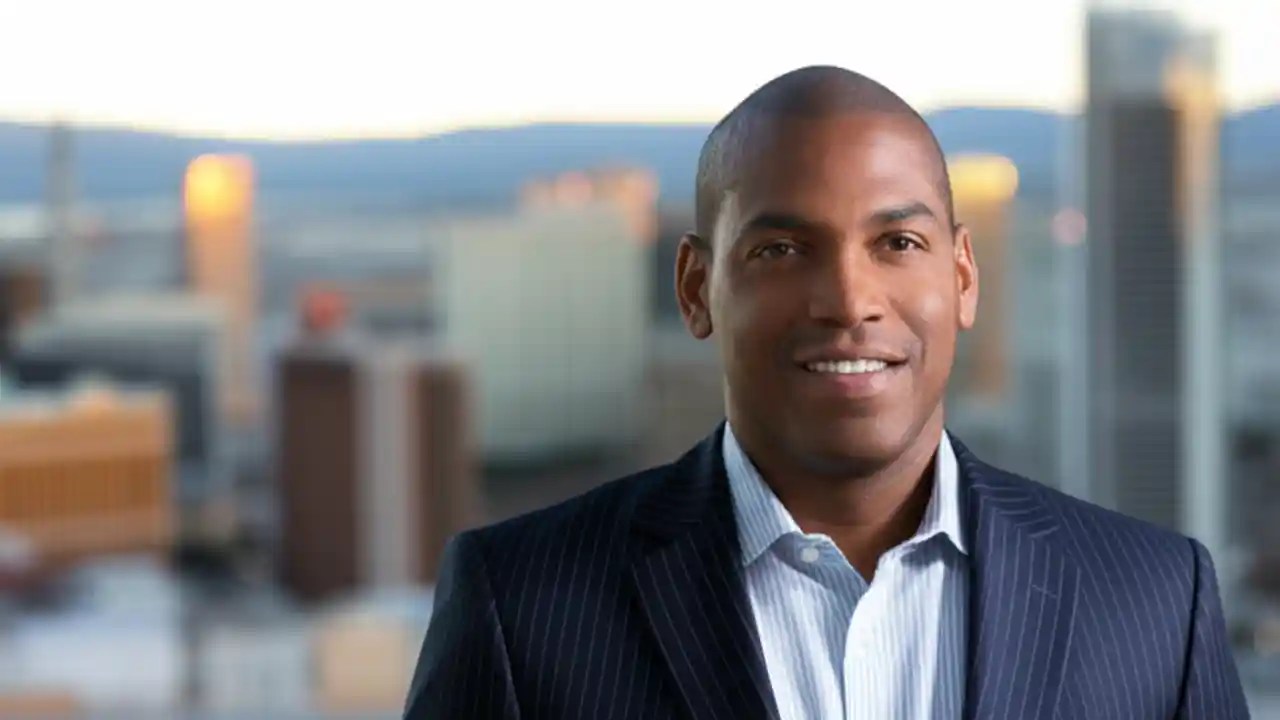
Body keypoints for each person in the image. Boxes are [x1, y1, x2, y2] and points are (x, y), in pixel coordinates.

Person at [404, 65, 1249, 720]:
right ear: (696, 289)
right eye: (782, 251)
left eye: (898, 242)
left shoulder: (1153, 604)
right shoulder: (522, 606)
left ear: (961, 276)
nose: (849, 300)